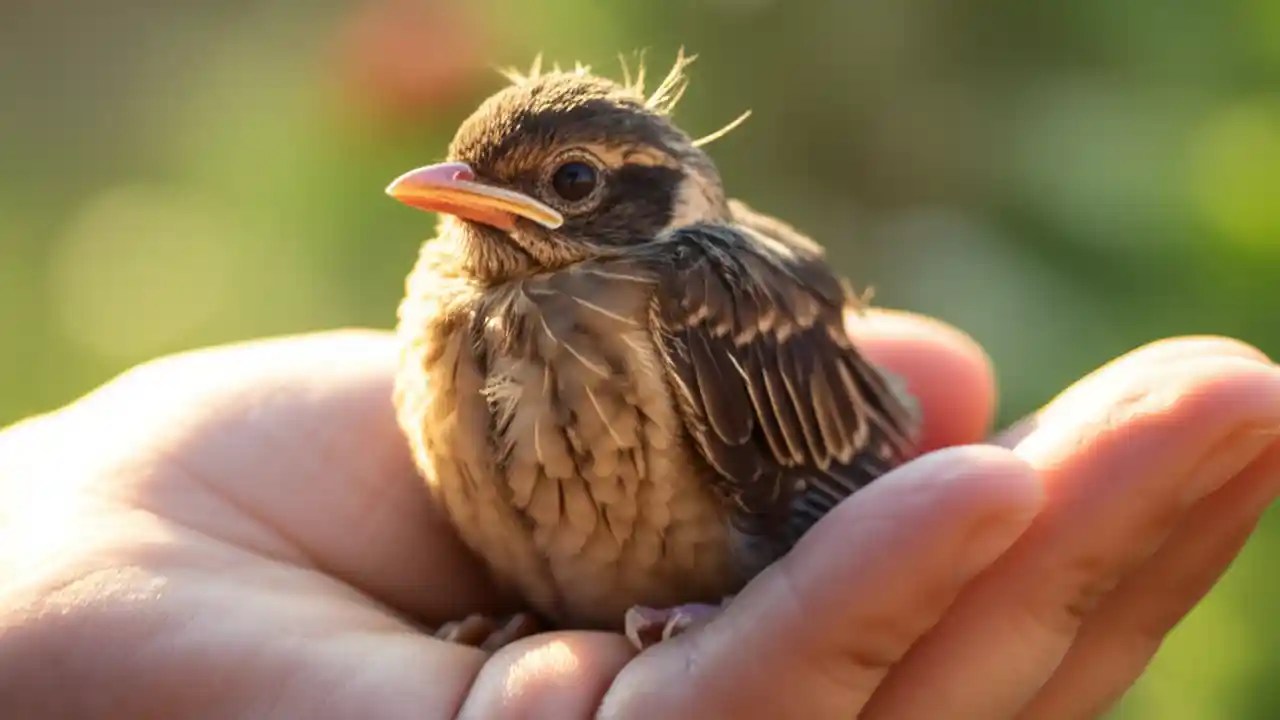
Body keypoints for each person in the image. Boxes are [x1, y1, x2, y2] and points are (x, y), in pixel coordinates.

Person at [0, 310, 1276, 718]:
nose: (469, 196)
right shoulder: (447, 303)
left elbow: (821, 487)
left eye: (560, 181)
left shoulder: (682, 299)